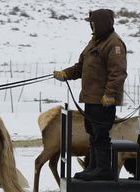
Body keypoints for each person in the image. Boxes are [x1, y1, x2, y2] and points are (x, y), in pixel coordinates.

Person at [53, 8, 127, 181]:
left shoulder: (114, 44)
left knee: (101, 134)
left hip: (104, 102)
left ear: (101, 24)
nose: (91, 27)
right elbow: (81, 67)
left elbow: (118, 73)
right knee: (93, 133)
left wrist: (110, 94)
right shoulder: (94, 42)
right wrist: (66, 73)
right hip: (91, 99)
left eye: (93, 23)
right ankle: (93, 167)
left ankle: (103, 169)